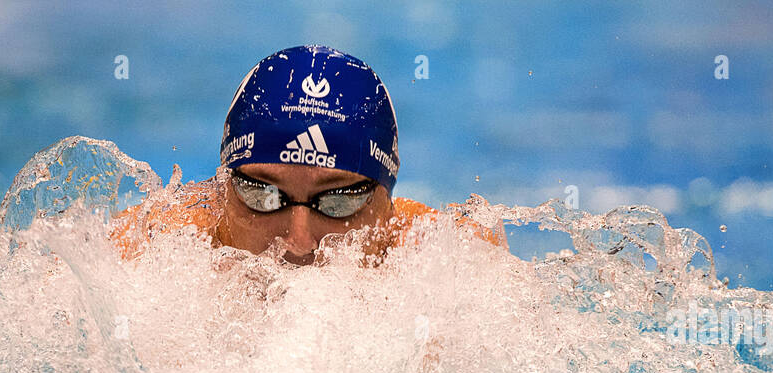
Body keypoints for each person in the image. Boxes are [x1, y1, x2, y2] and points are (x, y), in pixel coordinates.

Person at [111, 44, 505, 264]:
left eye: (338, 202)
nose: (299, 241)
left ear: (387, 204)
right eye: (262, 196)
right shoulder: (151, 248)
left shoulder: (444, 260)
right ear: (224, 190)